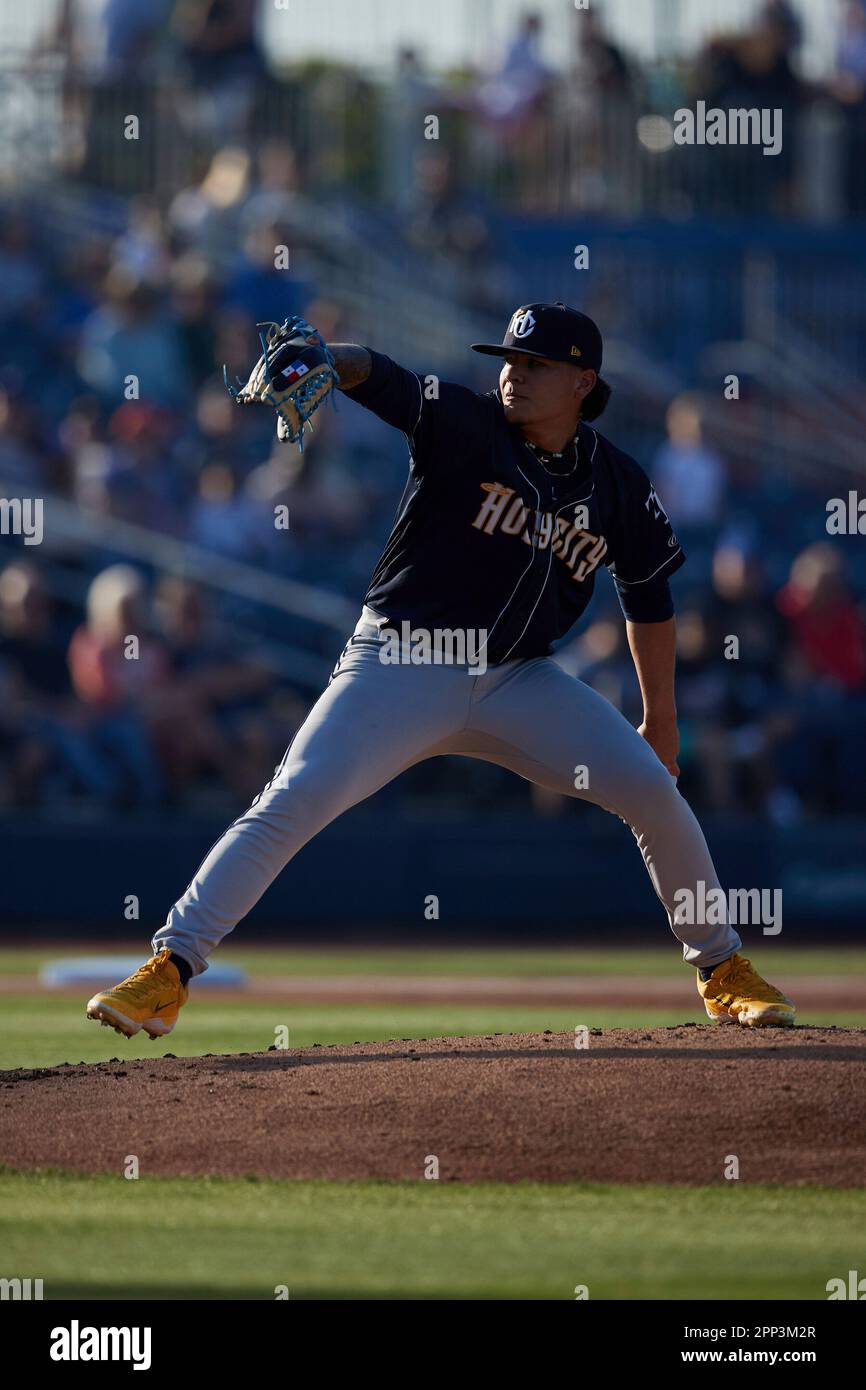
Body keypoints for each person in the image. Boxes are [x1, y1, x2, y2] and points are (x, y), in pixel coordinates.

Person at [86, 302, 795, 1038]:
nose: (513, 374)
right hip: (403, 660)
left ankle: (721, 969)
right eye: (509, 360)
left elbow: (649, 598)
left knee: (653, 791)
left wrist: (662, 724)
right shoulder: (466, 422)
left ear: (584, 381)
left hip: (519, 680)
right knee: (293, 798)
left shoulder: (617, 482)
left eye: (536, 364)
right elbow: (382, 378)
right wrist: (330, 355)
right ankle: (169, 970)